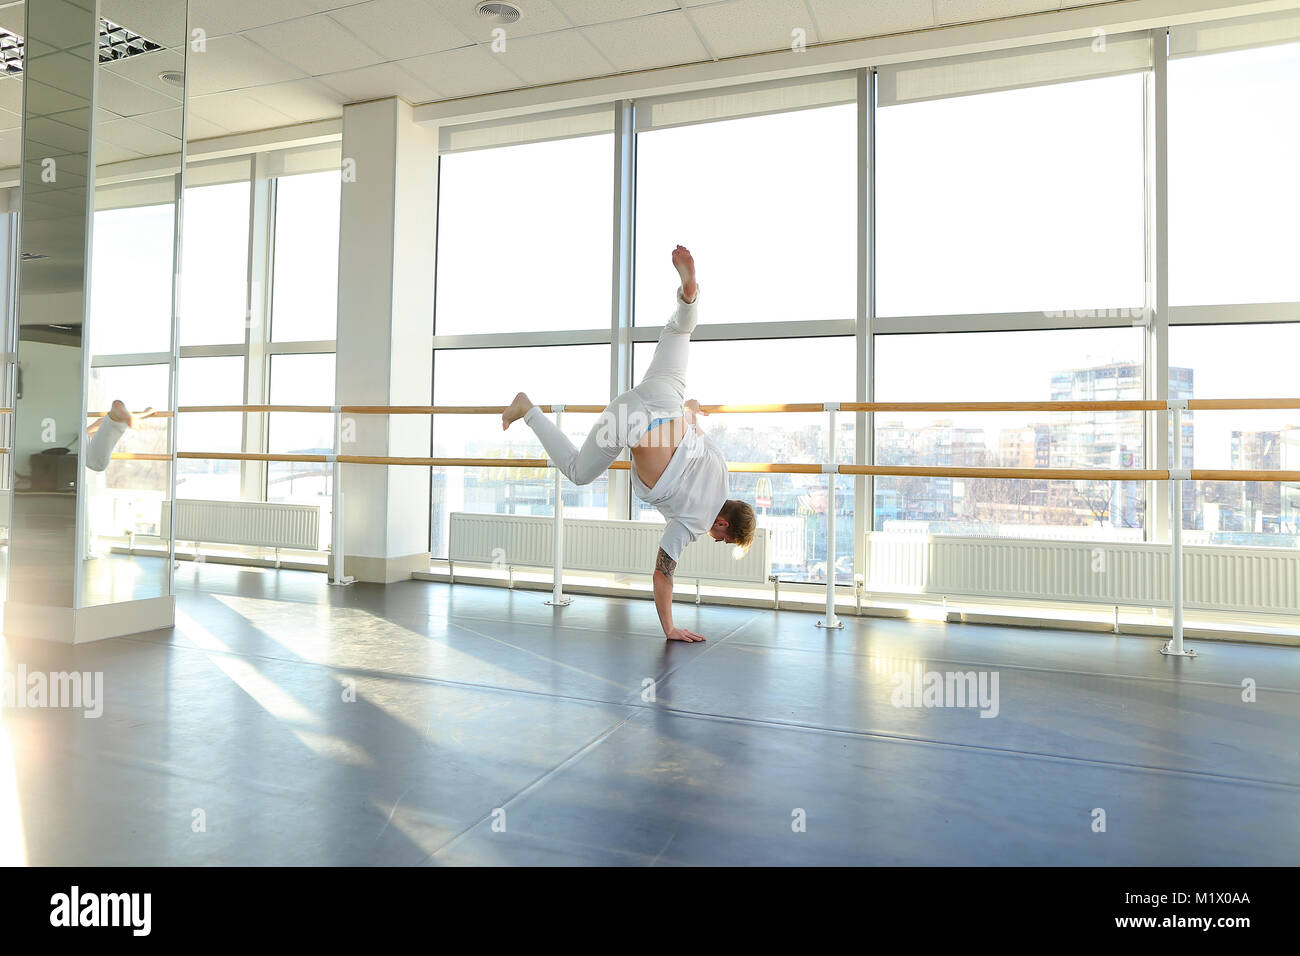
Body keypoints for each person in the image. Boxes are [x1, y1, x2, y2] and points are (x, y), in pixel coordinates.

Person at [502, 246, 755, 643]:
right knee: (577, 472)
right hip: (631, 424)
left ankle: (689, 297)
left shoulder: (722, 469)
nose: (716, 538)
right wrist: (669, 627)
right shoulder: (695, 524)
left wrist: (689, 407)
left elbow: (692, 424)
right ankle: (527, 409)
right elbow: (662, 573)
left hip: (665, 398)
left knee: (678, 331)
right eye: (723, 538)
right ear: (722, 524)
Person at [85, 400, 154, 472]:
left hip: (87, 450)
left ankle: (122, 415)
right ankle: (122, 414)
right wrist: (145, 413)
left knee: (98, 464)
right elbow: (99, 423)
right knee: (111, 422)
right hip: (86, 441)